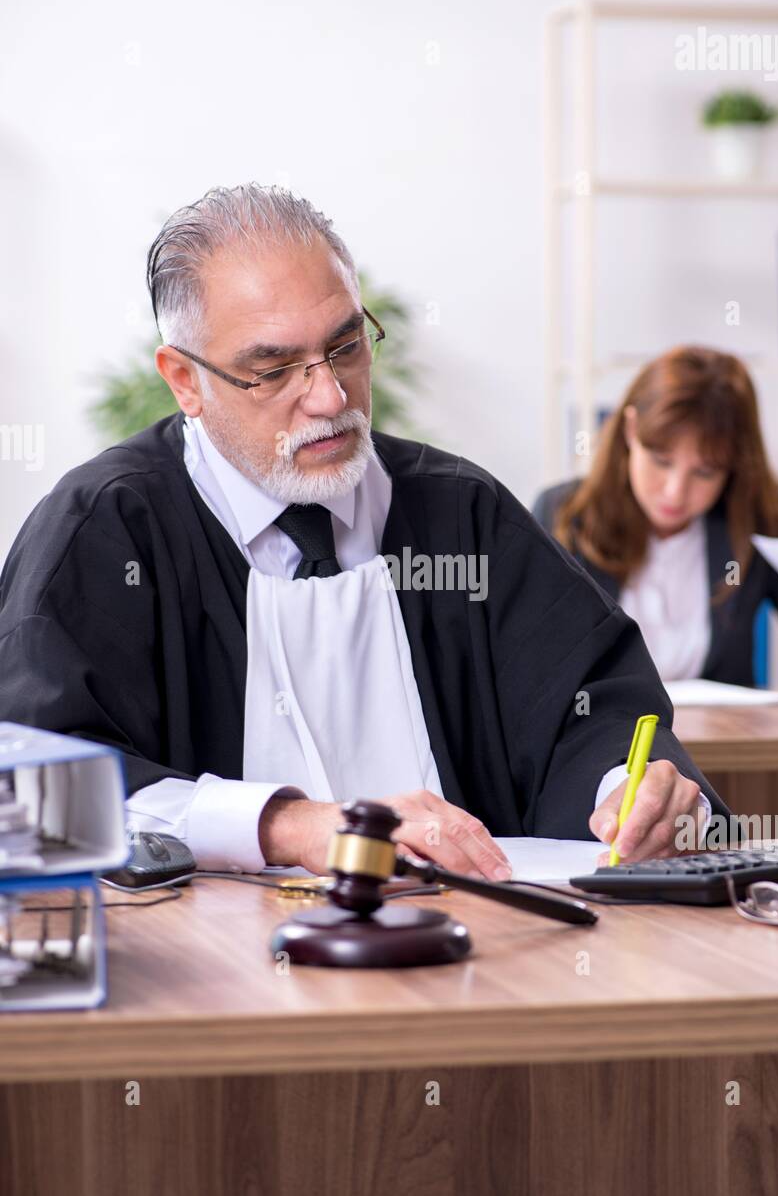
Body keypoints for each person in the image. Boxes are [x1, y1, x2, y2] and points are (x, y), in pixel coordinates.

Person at [0, 184, 725, 876]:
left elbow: (591, 706)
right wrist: (291, 826)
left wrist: (626, 794)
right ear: (184, 380)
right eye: (275, 369)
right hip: (208, 975)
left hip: (481, 953)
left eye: (346, 345)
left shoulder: (463, 516)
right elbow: (38, 790)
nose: (330, 396)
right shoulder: (104, 531)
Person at [533, 346, 778, 688]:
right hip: (599, 738)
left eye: (705, 473)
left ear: (734, 465)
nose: (675, 492)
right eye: (661, 461)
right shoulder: (562, 514)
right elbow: (527, 662)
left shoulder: (761, 518)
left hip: (721, 738)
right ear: (631, 430)